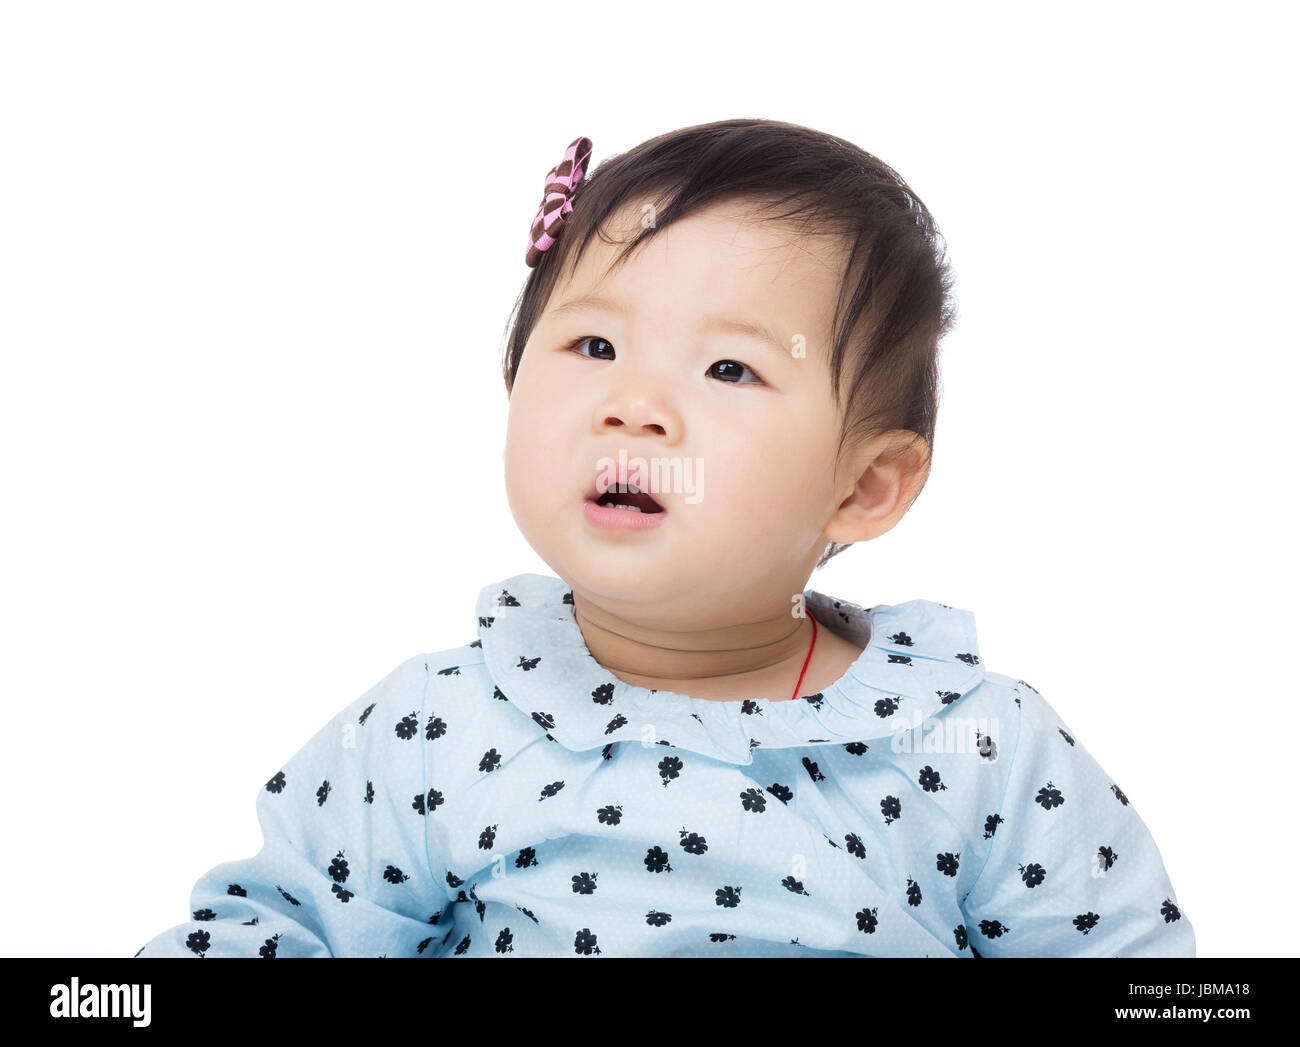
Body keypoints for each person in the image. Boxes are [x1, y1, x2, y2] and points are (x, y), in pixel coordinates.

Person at [135, 119, 1193, 957]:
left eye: (729, 369)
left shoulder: (970, 745)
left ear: (863, 486)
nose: (633, 407)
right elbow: (274, 934)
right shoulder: (436, 728)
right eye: (593, 344)